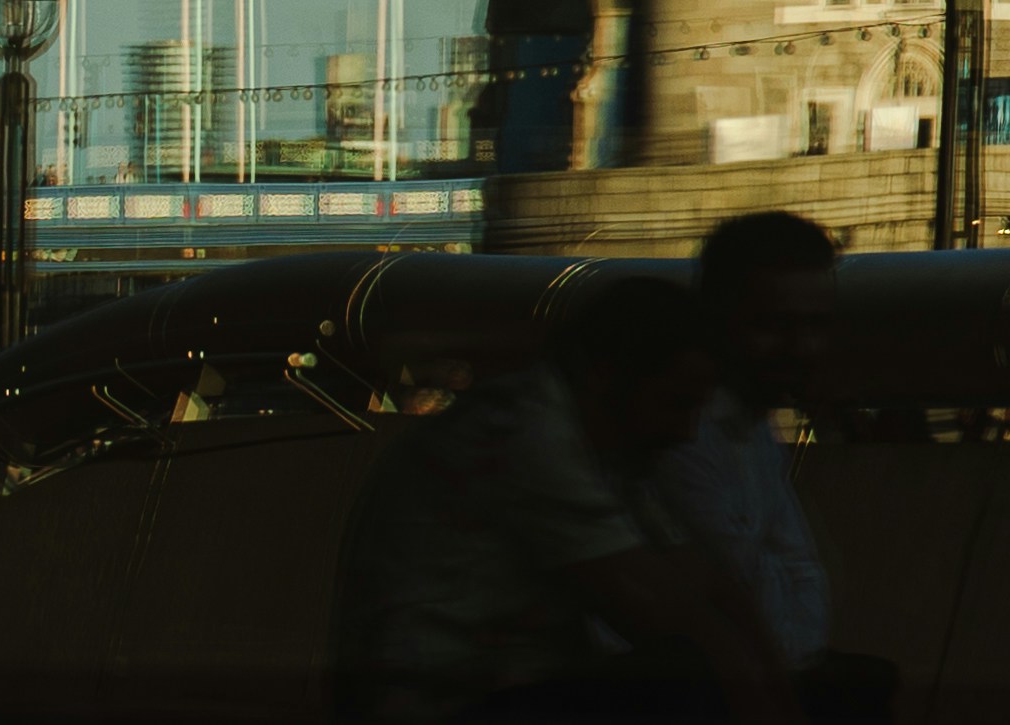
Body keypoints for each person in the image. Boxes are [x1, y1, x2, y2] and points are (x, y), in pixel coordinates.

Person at [334, 273, 794, 725]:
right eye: (676, 404)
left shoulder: (612, 442)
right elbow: (662, 611)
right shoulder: (525, 432)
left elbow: (707, 582)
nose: (686, 431)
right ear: (605, 376)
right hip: (443, 703)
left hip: (508, 692)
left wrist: (786, 687)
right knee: (687, 679)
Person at [658, 211, 893, 717]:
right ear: (717, 318)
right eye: (772, 325)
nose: (801, 348)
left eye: (814, 326)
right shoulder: (684, 437)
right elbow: (760, 602)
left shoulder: (750, 431)